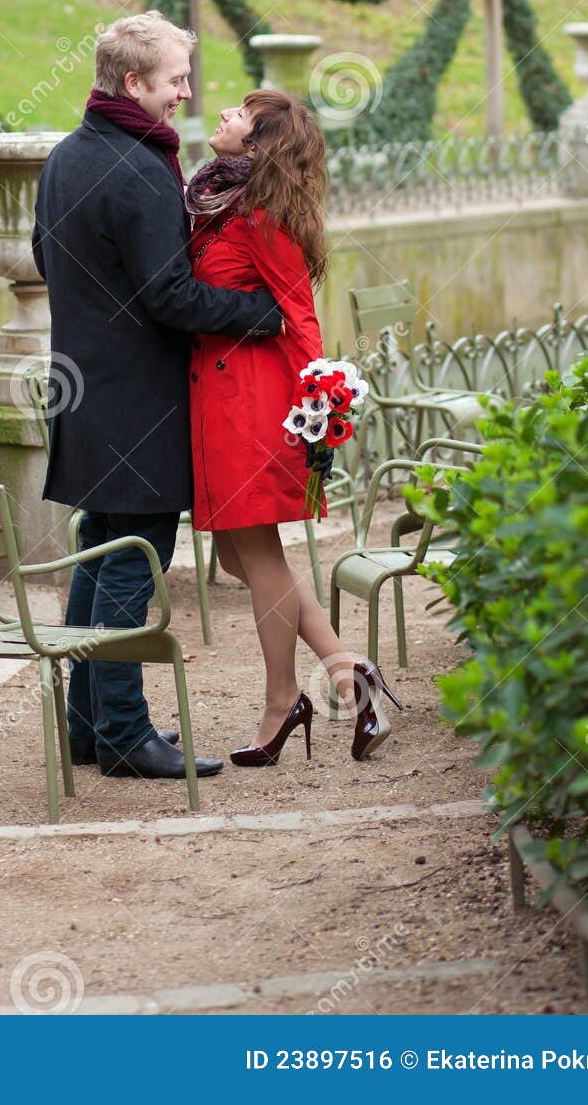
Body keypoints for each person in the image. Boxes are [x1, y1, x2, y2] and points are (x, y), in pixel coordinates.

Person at [31, 12, 284, 781]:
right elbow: (170, 295)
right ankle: (124, 734)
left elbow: (46, 260)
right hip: (138, 403)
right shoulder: (139, 168)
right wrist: (260, 313)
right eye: (176, 79)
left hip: (81, 391)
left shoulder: (67, 155)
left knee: (97, 553)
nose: (185, 93)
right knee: (134, 560)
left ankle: (87, 723)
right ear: (134, 83)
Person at [185, 89, 403, 768]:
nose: (220, 113)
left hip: (250, 406)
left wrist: (320, 415)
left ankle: (283, 702)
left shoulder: (262, 218)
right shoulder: (226, 202)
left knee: (255, 556)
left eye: (237, 116)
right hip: (220, 396)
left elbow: (299, 316)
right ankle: (345, 675)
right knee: (236, 557)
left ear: (256, 148)